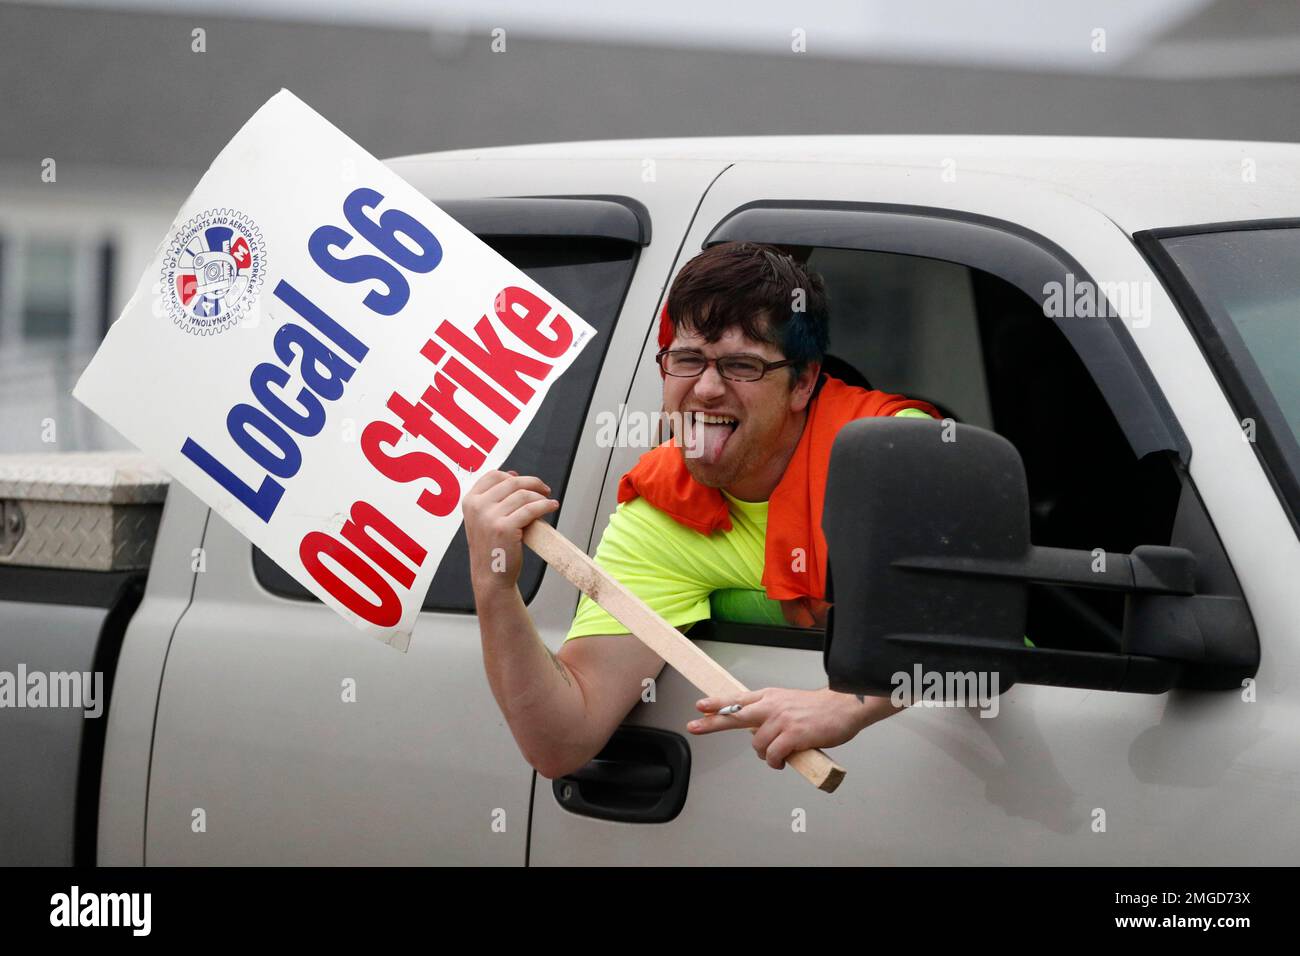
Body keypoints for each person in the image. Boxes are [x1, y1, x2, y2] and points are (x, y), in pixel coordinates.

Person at [463, 241, 939, 779]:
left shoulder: (896, 455)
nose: (707, 390)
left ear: (803, 382)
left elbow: (973, 628)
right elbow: (561, 741)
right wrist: (493, 585)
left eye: (741, 365)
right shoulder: (663, 512)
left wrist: (850, 702)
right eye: (687, 360)